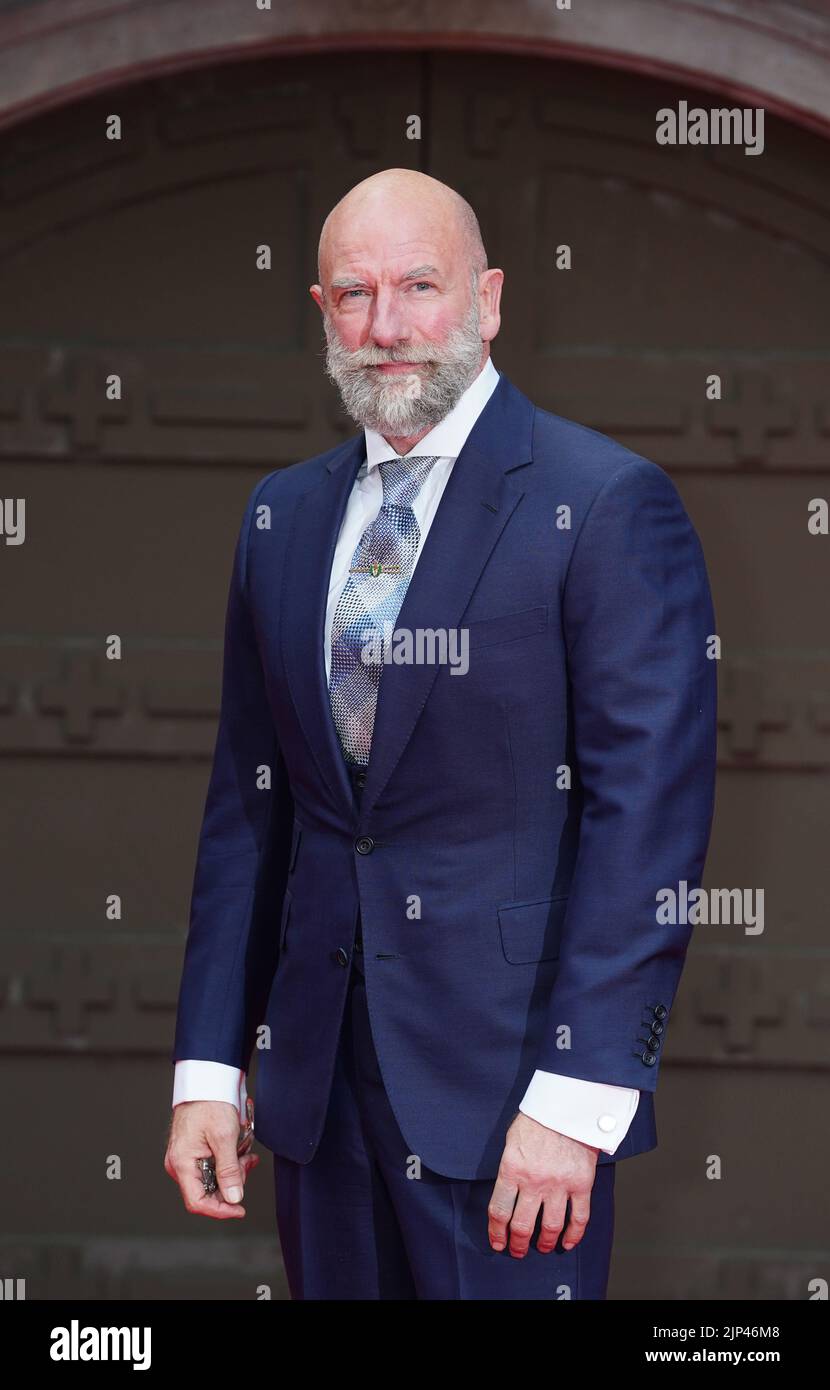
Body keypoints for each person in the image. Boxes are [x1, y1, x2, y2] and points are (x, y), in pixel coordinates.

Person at [164, 168, 717, 1300]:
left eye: (420, 285)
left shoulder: (604, 501)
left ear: (488, 299)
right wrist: (209, 1066)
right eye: (354, 294)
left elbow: (646, 825)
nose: (386, 325)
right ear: (321, 311)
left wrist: (576, 1099)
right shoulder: (281, 516)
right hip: (316, 1097)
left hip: (513, 1101)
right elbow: (247, 812)